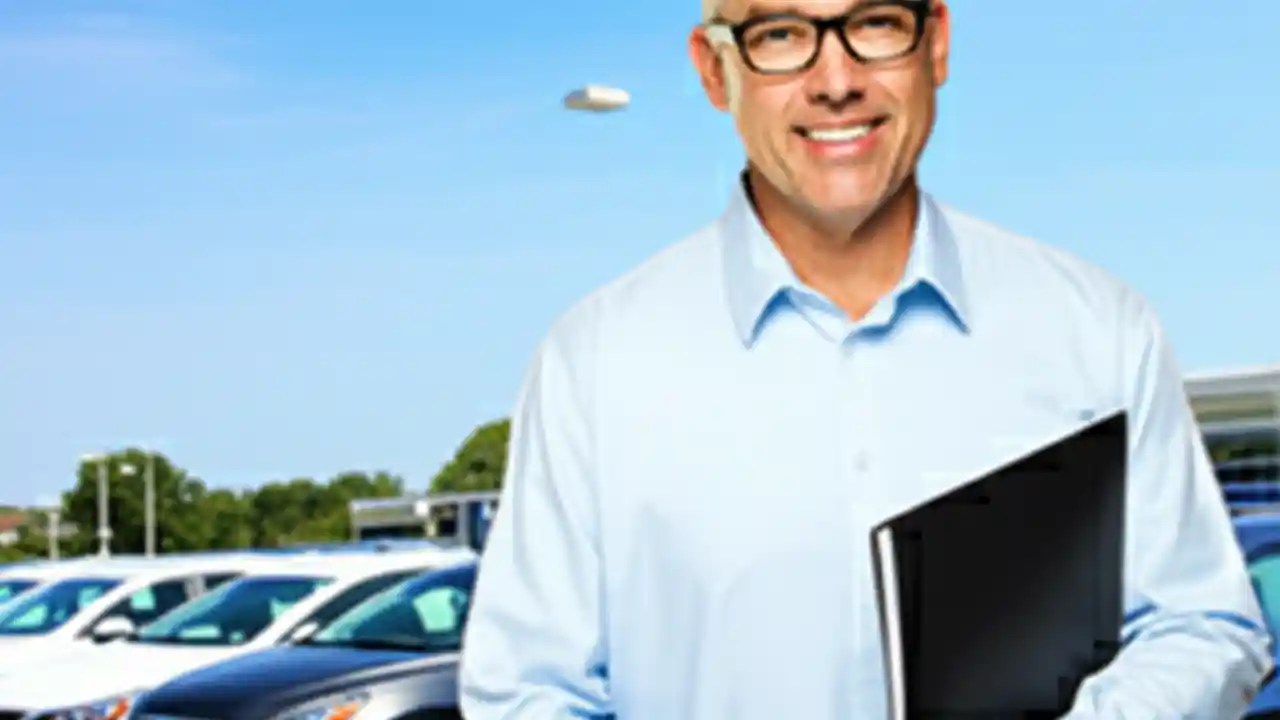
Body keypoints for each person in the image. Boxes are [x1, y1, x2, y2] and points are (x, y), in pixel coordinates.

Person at [458, 0, 1274, 717]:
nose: (836, 79)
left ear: (936, 43)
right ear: (716, 71)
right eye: (781, 34)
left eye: (875, 22)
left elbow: (1206, 626)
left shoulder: (1098, 331)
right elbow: (527, 692)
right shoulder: (594, 363)